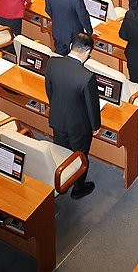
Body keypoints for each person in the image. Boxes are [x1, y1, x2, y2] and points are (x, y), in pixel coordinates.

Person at [44, 32, 99, 199]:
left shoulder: (52, 63)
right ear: (87, 51)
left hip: (58, 118)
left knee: (61, 152)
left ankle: (64, 180)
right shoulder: (87, 77)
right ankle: (78, 188)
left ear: (70, 46)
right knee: (80, 156)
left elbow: (49, 90)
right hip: (79, 126)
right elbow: (92, 105)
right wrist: (95, 126)